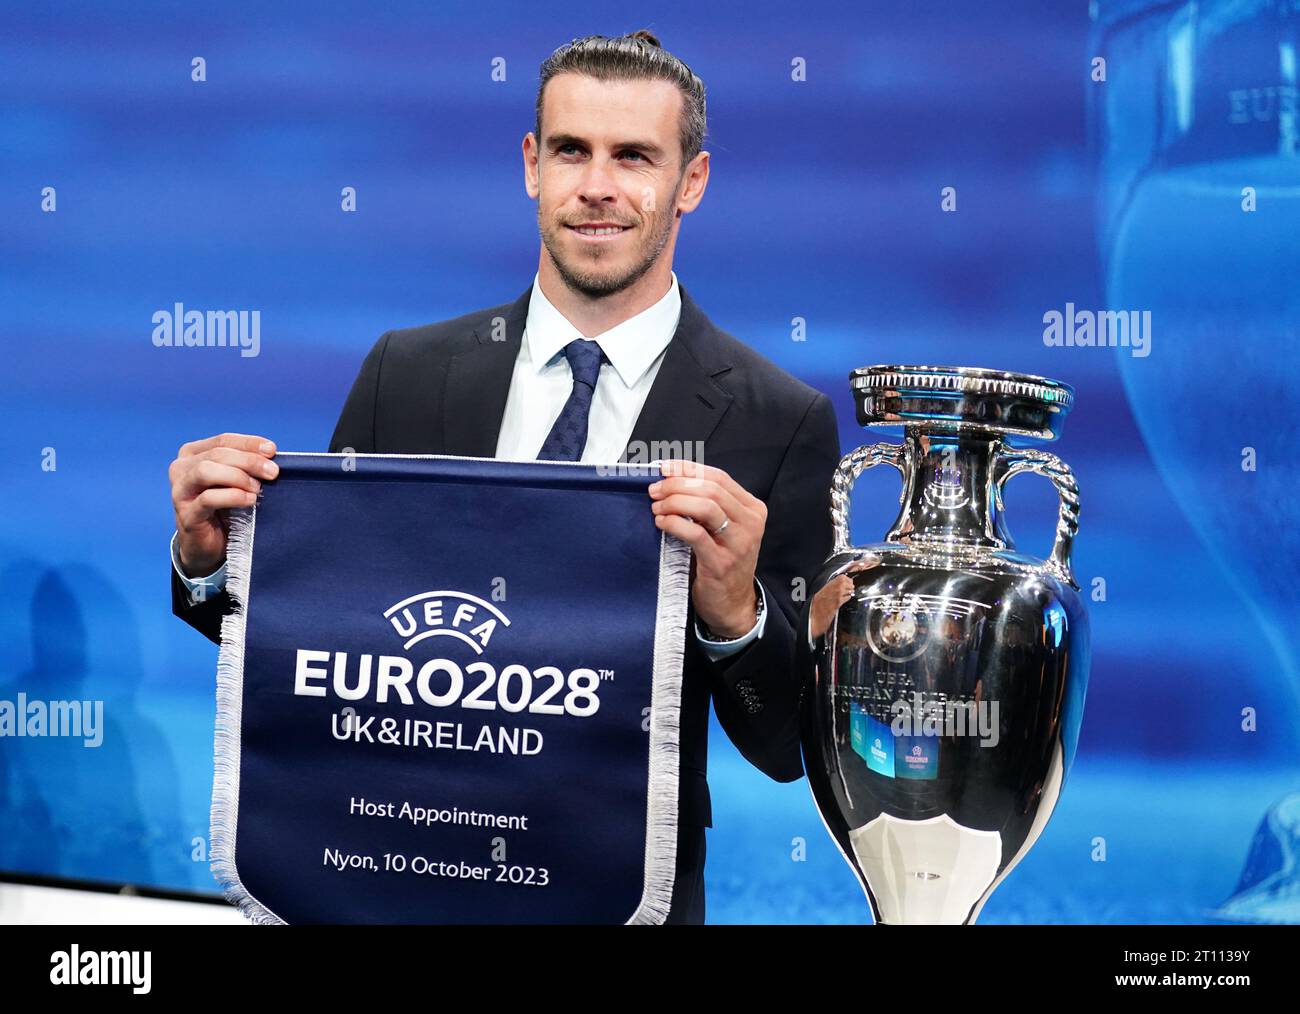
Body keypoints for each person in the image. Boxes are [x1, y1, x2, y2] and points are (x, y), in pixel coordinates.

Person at [167, 30, 841, 924]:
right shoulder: (405, 373)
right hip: (388, 872)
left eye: (633, 156)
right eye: (572, 150)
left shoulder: (777, 419)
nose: (597, 186)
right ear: (532, 164)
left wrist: (734, 618)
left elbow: (788, 742)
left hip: (615, 900)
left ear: (692, 182)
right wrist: (211, 558)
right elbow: (305, 637)